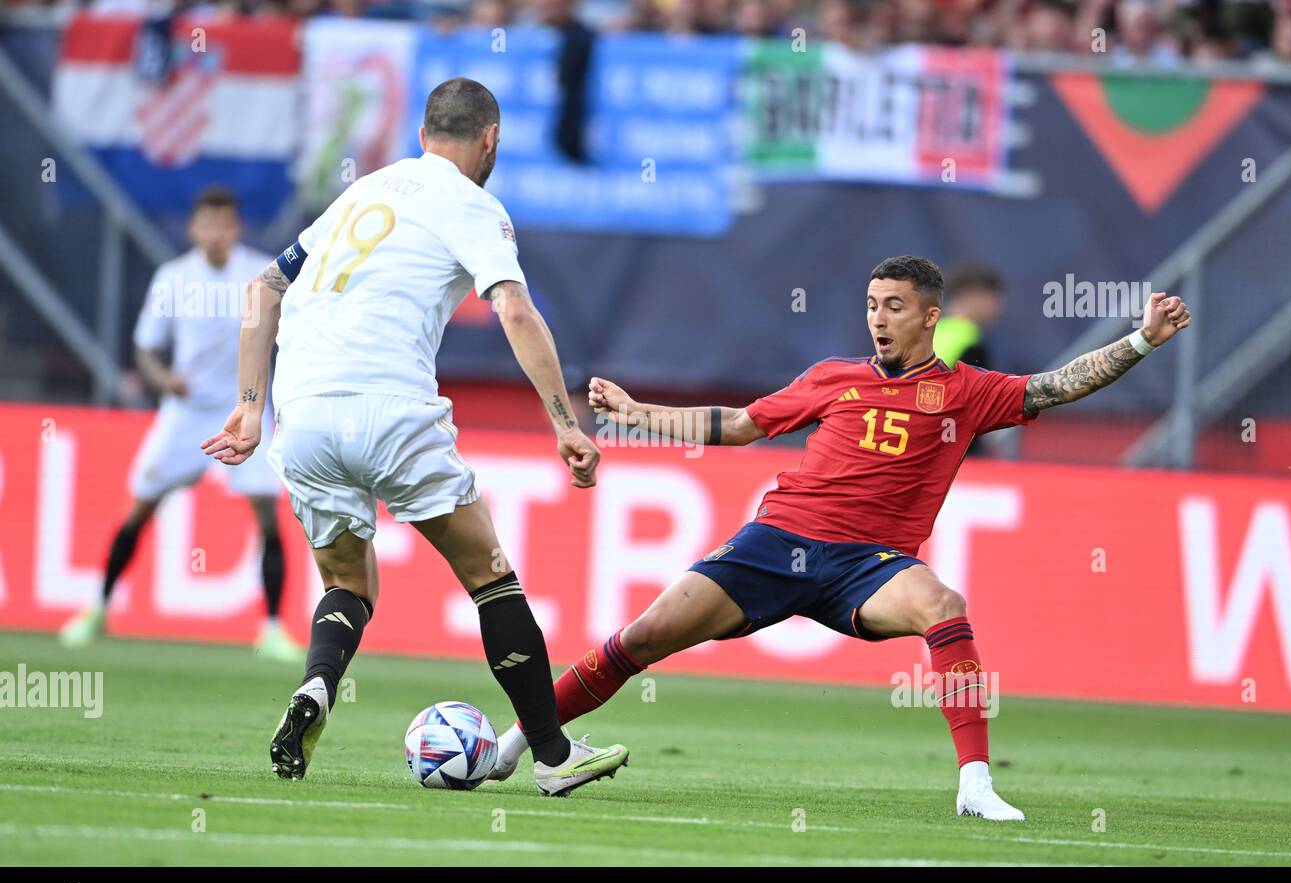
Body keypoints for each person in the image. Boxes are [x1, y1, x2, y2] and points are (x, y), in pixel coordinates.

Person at [490, 255, 1191, 820]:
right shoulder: (834, 378)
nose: (878, 319)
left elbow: (1057, 386)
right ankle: (518, 742)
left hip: (870, 565)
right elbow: (739, 426)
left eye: (893, 306)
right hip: (775, 542)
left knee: (943, 606)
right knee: (643, 637)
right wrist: (640, 413)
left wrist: (1140, 341)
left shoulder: (966, 390)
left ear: (929, 316)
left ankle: (975, 785)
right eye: (870, 304)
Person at [201, 78, 629, 795]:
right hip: (388, 407)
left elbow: (262, 289)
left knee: (346, 581)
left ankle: (316, 688)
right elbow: (517, 313)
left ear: (423, 134)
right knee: (488, 573)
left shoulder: (364, 190)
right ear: (489, 138)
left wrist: (250, 408)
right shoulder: (474, 204)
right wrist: (566, 422)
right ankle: (553, 759)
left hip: (302, 414)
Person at [59, 187, 298, 662]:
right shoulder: (173, 278)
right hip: (185, 416)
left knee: (268, 515)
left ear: (237, 228)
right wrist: (163, 378)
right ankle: (99, 608)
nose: (216, 232)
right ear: (193, 228)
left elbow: (286, 333)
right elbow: (146, 348)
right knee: (139, 509)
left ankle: (271, 629)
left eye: (225, 223)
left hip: (244, 409)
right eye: (208, 223)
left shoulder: (261, 275)